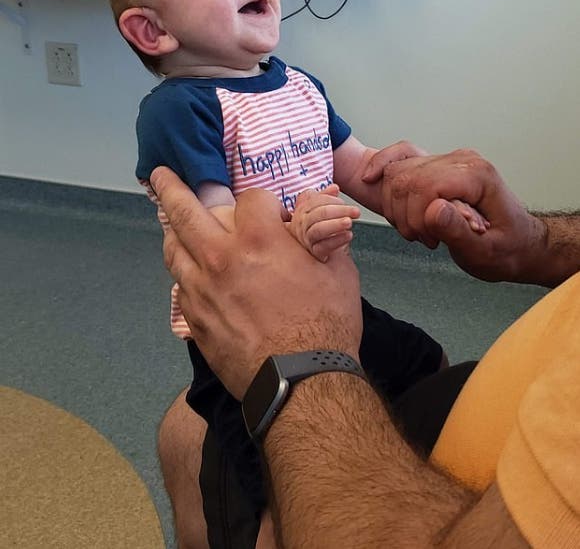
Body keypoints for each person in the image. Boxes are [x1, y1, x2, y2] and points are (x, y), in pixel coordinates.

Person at [107, 0, 486, 548]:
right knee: (275, 487)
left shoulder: (297, 83)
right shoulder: (181, 109)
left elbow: (358, 168)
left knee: (424, 360)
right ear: (154, 31)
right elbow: (222, 235)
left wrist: (415, 186)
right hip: (246, 330)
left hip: (327, 298)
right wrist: (299, 232)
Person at [150, 148, 580, 549]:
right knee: (187, 426)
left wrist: (298, 358)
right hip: (509, 395)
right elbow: (357, 164)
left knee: (190, 434)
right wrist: (544, 245)